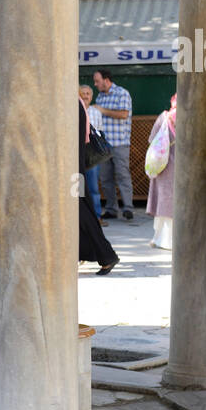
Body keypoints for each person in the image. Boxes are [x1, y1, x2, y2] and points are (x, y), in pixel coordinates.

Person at [79, 97, 118, 274]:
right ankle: (83, 253)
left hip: (70, 172)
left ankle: (107, 255)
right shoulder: (77, 101)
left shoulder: (71, 102)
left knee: (80, 210)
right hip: (72, 170)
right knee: (79, 210)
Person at [93, 68, 134, 220]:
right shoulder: (100, 97)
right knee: (105, 178)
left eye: (97, 81)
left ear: (106, 80)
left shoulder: (122, 93)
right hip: (103, 145)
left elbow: (123, 114)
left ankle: (128, 208)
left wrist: (102, 110)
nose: (95, 84)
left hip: (119, 143)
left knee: (122, 175)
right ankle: (111, 209)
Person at [146, 94, 177, 250]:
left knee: (164, 202)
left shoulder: (165, 117)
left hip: (164, 165)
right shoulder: (192, 117)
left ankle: (161, 239)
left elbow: (152, 139)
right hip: (185, 167)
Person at [79, 84, 104, 222]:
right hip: (77, 152)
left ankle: (97, 216)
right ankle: (80, 216)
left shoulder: (96, 112)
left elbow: (99, 132)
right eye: (83, 93)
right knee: (79, 184)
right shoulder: (74, 109)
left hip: (91, 153)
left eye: (88, 93)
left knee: (93, 186)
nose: (86, 96)